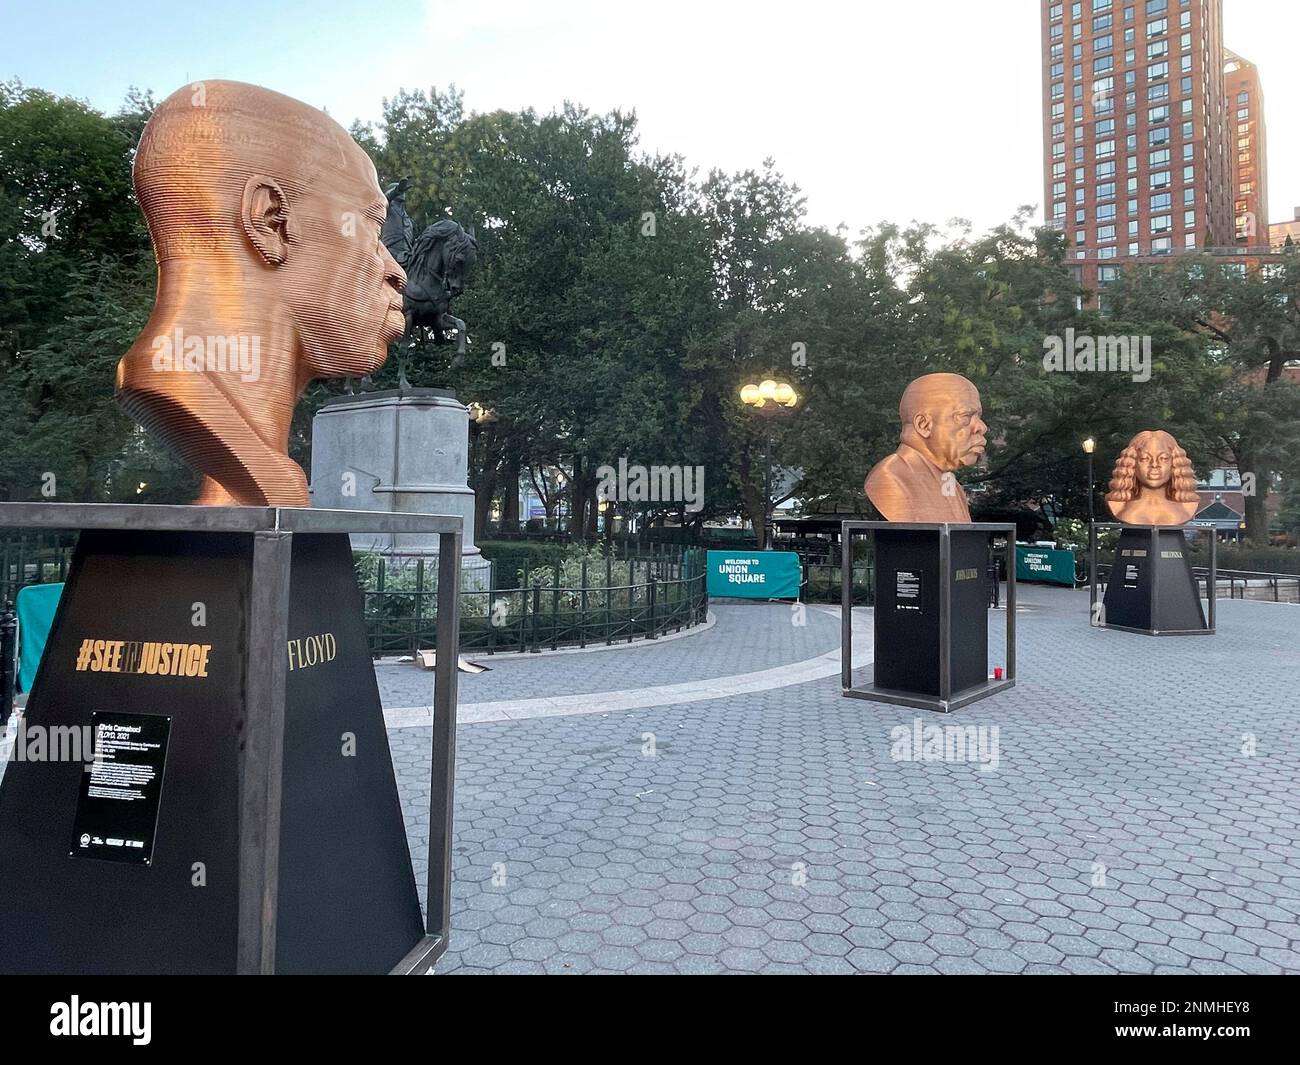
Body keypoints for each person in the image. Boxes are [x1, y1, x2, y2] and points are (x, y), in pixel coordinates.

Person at [115, 81, 407, 506]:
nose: (396, 272)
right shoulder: (235, 443)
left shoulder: (265, 462)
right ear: (270, 220)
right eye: (374, 229)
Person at [865, 373, 988, 522]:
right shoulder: (890, 477)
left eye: (978, 417)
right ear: (924, 425)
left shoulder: (952, 486)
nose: (981, 427)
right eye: (965, 416)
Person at [1104, 429, 1199, 526]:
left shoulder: (1188, 506)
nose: (1154, 464)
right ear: (1132, 464)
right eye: (1145, 458)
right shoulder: (1117, 505)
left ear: (1175, 463)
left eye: (1163, 458)